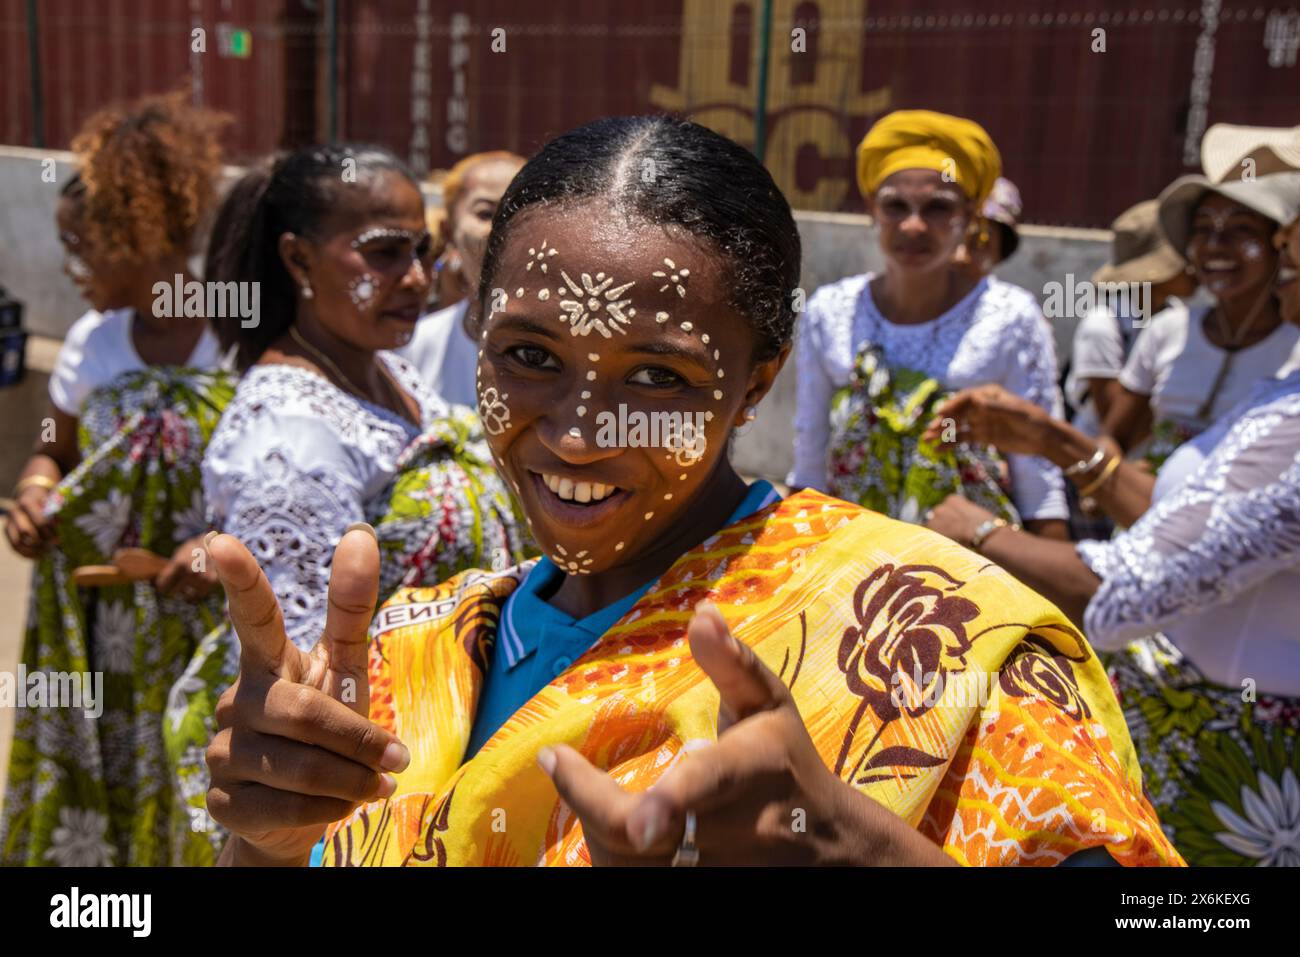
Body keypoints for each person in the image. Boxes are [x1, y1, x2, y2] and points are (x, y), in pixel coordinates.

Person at [199, 116, 1178, 868]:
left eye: (657, 375)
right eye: (530, 356)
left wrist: (861, 845)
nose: (580, 432)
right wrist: (264, 849)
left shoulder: (930, 638)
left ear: (757, 377)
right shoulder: (402, 661)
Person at [162, 144, 528, 864]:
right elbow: (309, 684)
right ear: (298, 261)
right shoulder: (290, 435)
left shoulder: (385, 370)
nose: (418, 277)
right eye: (383, 253)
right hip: (376, 796)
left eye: (421, 249)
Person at [922, 176, 1300, 866]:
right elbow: (1187, 525)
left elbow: (1126, 592)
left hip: (1242, 760)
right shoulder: (1267, 379)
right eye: (1205, 229)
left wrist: (980, 535)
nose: (1227, 249)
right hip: (1179, 727)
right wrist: (1054, 440)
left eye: (1265, 239)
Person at [0, 91, 233, 867]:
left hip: (203, 623)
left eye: (81, 248)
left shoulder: (236, 345)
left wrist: (211, 549)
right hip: (95, 627)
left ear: (135, 233)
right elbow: (51, 448)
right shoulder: (92, 345)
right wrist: (34, 491)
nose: (74, 269)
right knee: (101, 791)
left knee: (193, 794)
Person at [790, 110, 1068, 537]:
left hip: (967, 566)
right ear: (872, 210)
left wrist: (1053, 580)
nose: (913, 226)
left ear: (972, 215)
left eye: (938, 208)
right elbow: (810, 453)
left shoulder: (1010, 318)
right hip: (849, 551)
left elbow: (1038, 472)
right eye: (895, 206)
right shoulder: (831, 312)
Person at [1103, 174, 1300, 467]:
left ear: (1279, 245)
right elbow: (1113, 438)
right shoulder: (1167, 330)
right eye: (1202, 229)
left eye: (1241, 229)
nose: (1215, 245)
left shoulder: (1294, 347)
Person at [400, 151, 526, 406]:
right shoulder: (416, 346)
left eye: (518, 211)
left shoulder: (573, 339)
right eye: (486, 213)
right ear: (448, 231)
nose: (504, 227)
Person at [1064, 200, 1197, 440]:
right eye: (1183, 255)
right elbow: (1119, 431)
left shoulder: (1177, 318)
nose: (1195, 264)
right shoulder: (1102, 327)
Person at [952, 175, 1022, 279]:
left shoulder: (1011, 295)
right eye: (954, 239)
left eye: (980, 243)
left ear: (998, 253)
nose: (959, 256)